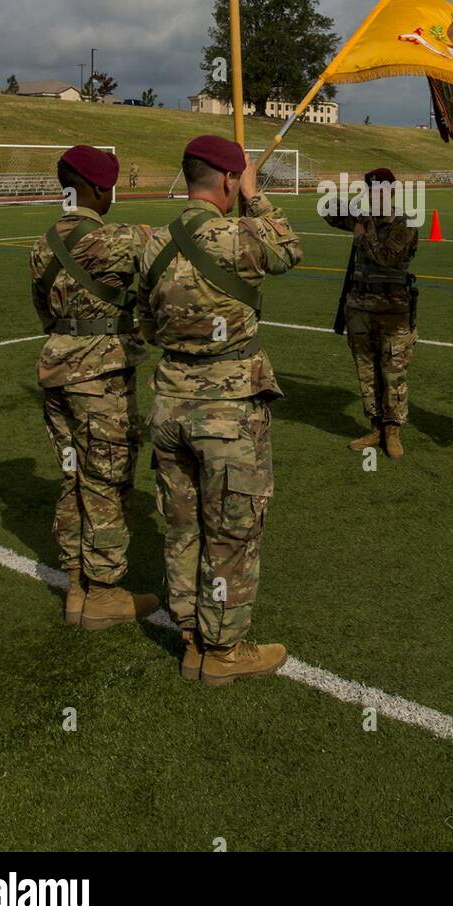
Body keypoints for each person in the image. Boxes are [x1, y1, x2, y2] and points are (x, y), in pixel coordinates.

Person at [137, 136, 302, 686]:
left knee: (182, 526)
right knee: (231, 533)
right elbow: (288, 250)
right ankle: (222, 650)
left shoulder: (152, 243)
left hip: (169, 405)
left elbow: (142, 321)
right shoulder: (242, 237)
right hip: (227, 412)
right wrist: (257, 199)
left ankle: (189, 633)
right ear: (229, 181)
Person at [29, 144, 159, 628]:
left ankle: (77, 585)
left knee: (74, 478)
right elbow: (180, 245)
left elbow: (45, 315)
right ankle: (104, 592)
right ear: (99, 189)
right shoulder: (118, 239)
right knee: (107, 480)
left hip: (57, 370)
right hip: (99, 380)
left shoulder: (43, 244)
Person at [325, 167, 419, 460]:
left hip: (393, 312)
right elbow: (328, 212)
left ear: (392, 192)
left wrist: (361, 237)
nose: (376, 195)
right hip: (359, 309)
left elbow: (387, 257)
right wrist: (352, 203)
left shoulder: (405, 222)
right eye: (371, 190)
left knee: (393, 373)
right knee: (366, 373)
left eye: (382, 190)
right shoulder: (363, 217)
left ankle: (393, 431)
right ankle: (375, 427)